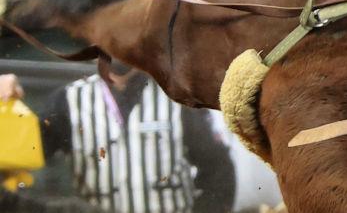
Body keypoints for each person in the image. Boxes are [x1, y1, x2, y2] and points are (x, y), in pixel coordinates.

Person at [0, 64, 235, 213]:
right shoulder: (69, 100)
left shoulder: (176, 97)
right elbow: (15, 159)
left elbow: (219, 171)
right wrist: (3, 108)